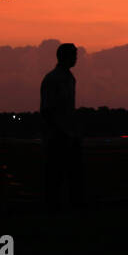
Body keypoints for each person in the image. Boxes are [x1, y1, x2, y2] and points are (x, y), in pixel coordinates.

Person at [40, 42, 84, 210]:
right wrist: (60, 131)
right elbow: (47, 110)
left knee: (71, 176)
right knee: (56, 177)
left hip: (67, 135)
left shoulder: (69, 78)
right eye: (73, 55)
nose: (76, 59)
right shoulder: (54, 79)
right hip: (56, 137)